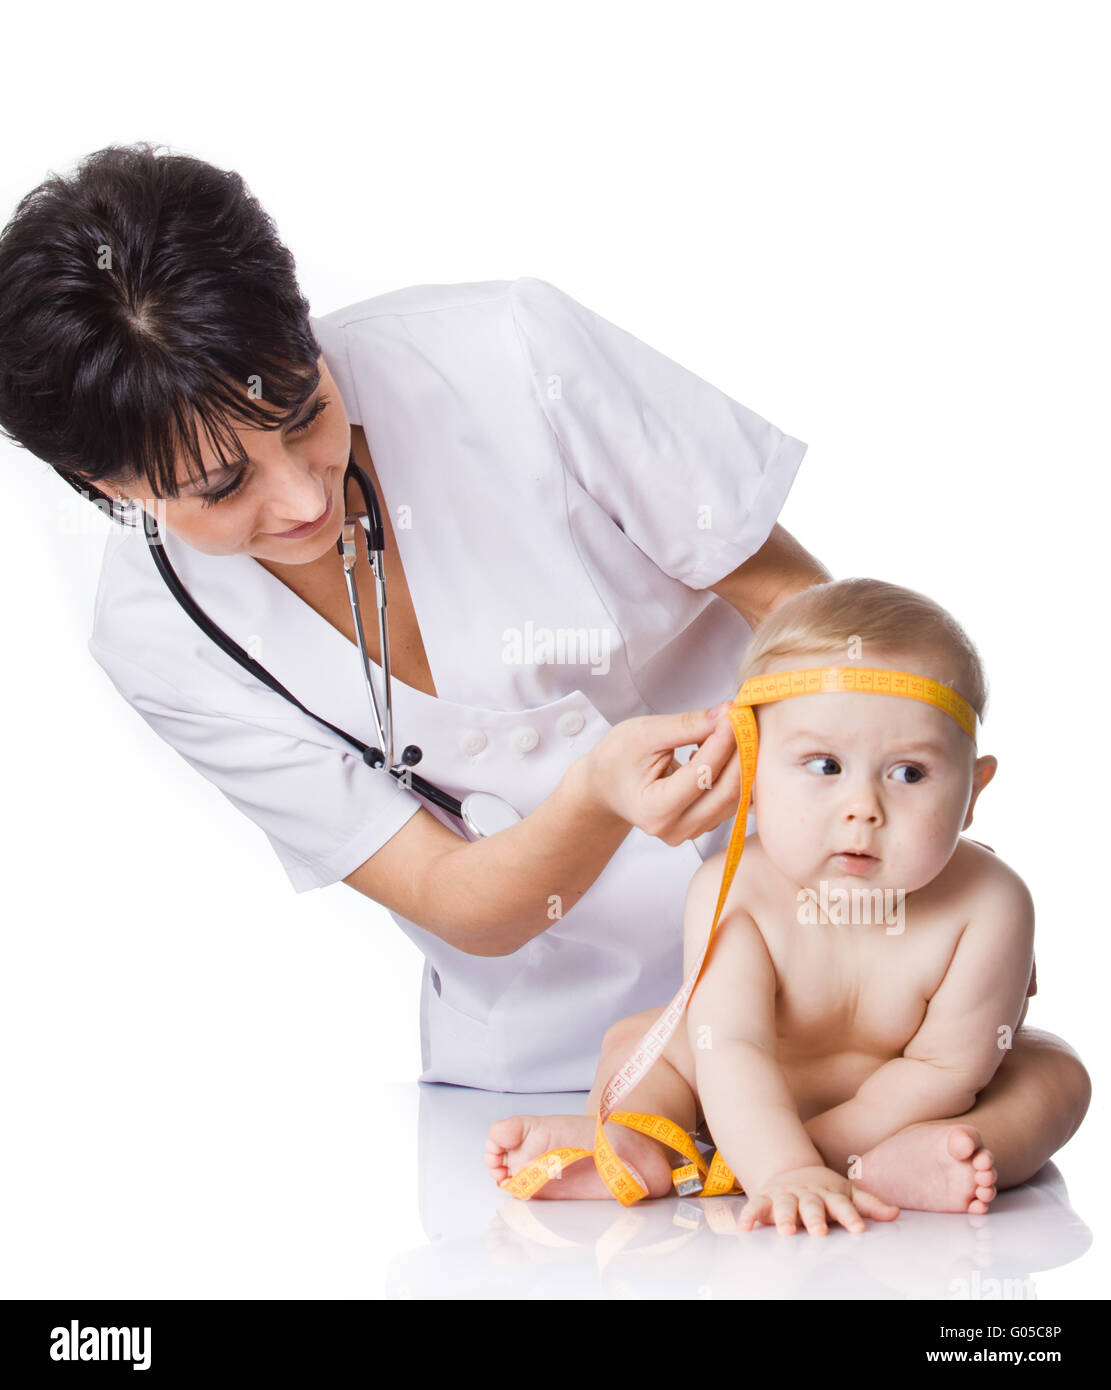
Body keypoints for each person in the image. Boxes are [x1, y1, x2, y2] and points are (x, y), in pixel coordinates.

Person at [0, 143, 831, 1092]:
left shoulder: (511, 353)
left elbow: (802, 608)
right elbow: (451, 897)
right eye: (222, 487)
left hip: (825, 963)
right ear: (108, 486)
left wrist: (888, 849)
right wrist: (596, 798)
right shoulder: (159, 639)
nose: (302, 500)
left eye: (306, 412)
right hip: (548, 1063)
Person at [485, 580, 1092, 1231]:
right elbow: (733, 1048)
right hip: (735, 1091)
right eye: (824, 766)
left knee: (1052, 1074)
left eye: (909, 773)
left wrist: (818, 1156)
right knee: (646, 1044)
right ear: (752, 773)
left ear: (972, 791)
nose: (862, 807)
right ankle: (644, 1136)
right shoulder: (737, 890)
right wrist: (780, 1167)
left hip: (917, 1106)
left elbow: (946, 1068)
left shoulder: (990, 903)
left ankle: (935, 1156)